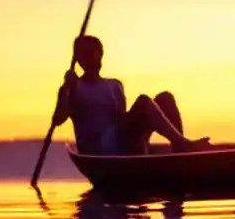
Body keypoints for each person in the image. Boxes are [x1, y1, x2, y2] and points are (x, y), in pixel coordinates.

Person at [53, 35, 209, 155]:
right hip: (101, 148)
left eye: (95, 52)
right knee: (143, 102)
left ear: (101, 54)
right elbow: (58, 120)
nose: (92, 57)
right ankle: (182, 144)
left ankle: (179, 148)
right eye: (85, 54)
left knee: (165, 98)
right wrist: (67, 91)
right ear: (79, 59)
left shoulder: (114, 85)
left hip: (121, 141)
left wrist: (142, 130)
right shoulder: (73, 88)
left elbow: (121, 119)